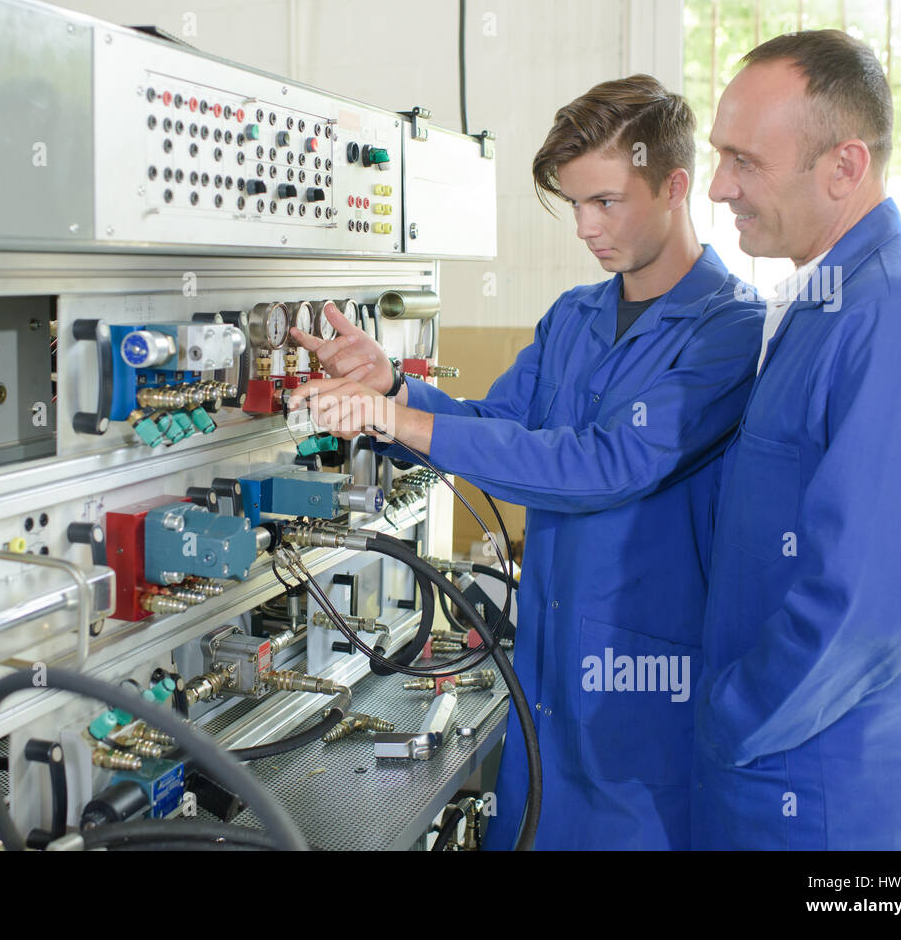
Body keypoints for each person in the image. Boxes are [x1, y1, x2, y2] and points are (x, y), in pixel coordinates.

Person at [288, 75, 763, 849]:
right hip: (543, 683)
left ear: (675, 186)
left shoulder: (730, 332)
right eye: (573, 204)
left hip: (646, 701)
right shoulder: (574, 317)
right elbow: (498, 426)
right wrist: (391, 386)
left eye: (605, 201)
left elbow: (605, 466)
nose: (584, 227)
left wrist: (394, 416)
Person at [696, 30, 901, 849]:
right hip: (791, 752)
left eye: (745, 161)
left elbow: (868, 605)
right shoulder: (830, 295)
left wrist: (730, 718)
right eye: (720, 156)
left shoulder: (891, 314)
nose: (719, 187)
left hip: (829, 782)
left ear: (845, 168)